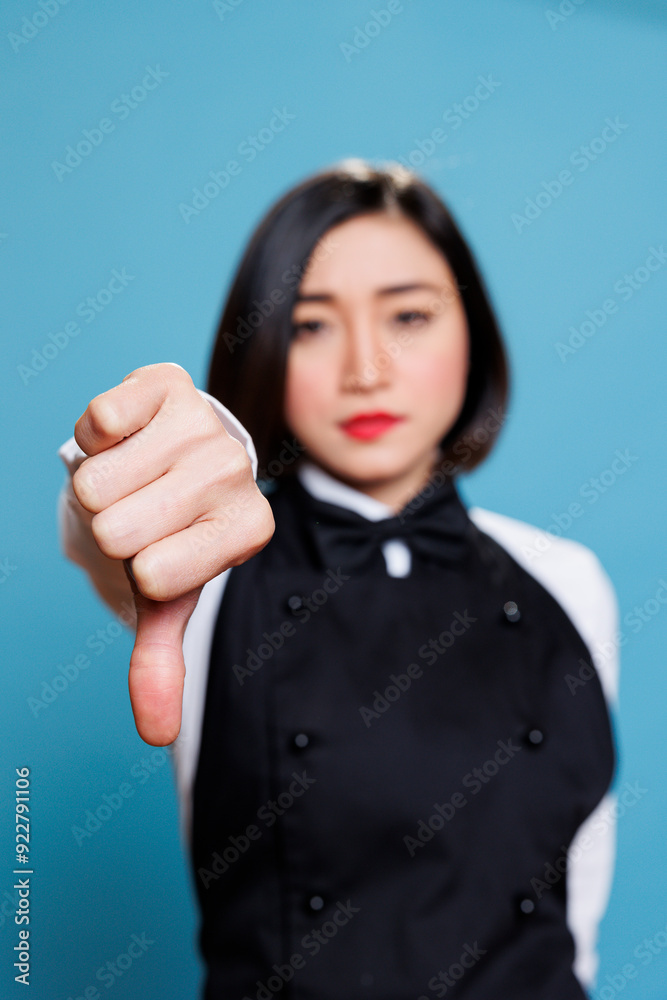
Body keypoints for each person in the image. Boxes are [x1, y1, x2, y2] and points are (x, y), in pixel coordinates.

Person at [57, 159, 619, 999]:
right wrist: (128, 460)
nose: (366, 369)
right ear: (265, 347)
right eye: (312, 325)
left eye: (409, 315)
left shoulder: (567, 580)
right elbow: (105, 540)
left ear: (473, 334)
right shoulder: (212, 572)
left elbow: (576, 908)